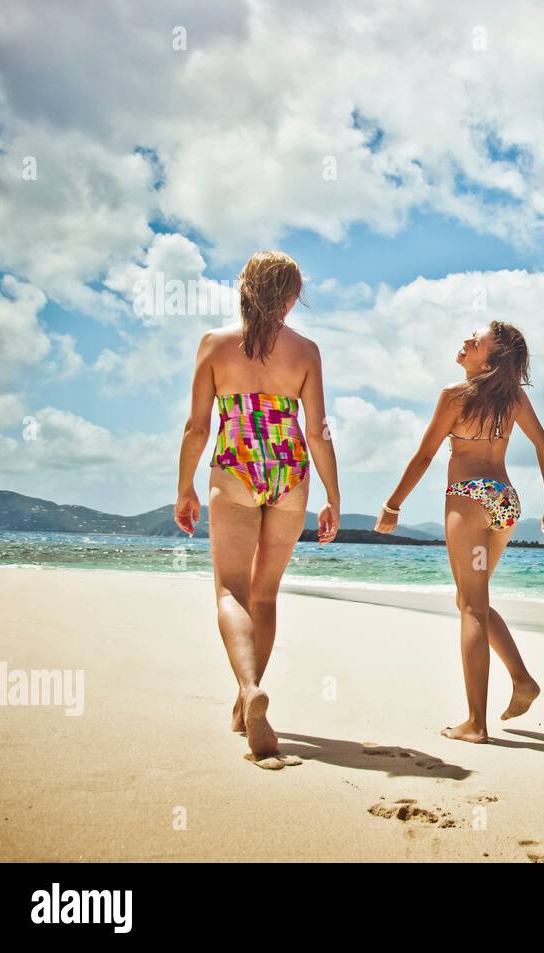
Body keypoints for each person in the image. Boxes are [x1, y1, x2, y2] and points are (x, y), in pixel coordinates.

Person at [174, 250, 341, 760]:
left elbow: (198, 427)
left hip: (237, 466)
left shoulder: (215, 345)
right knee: (265, 596)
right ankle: (244, 700)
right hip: (290, 471)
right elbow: (317, 430)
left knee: (230, 590)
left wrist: (185, 488)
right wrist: (334, 495)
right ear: (292, 297)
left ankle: (249, 690)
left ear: (245, 288)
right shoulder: (307, 351)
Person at [376, 321, 544, 743]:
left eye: (474, 342)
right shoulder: (514, 399)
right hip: (504, 501)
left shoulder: (455, 397)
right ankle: (522, 680)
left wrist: (393, 505)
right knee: (471, 600)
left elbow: (424, 455)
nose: (464, 342)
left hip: (469, 497)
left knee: (472, 608)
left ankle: (475, 725)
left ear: (490, 358)